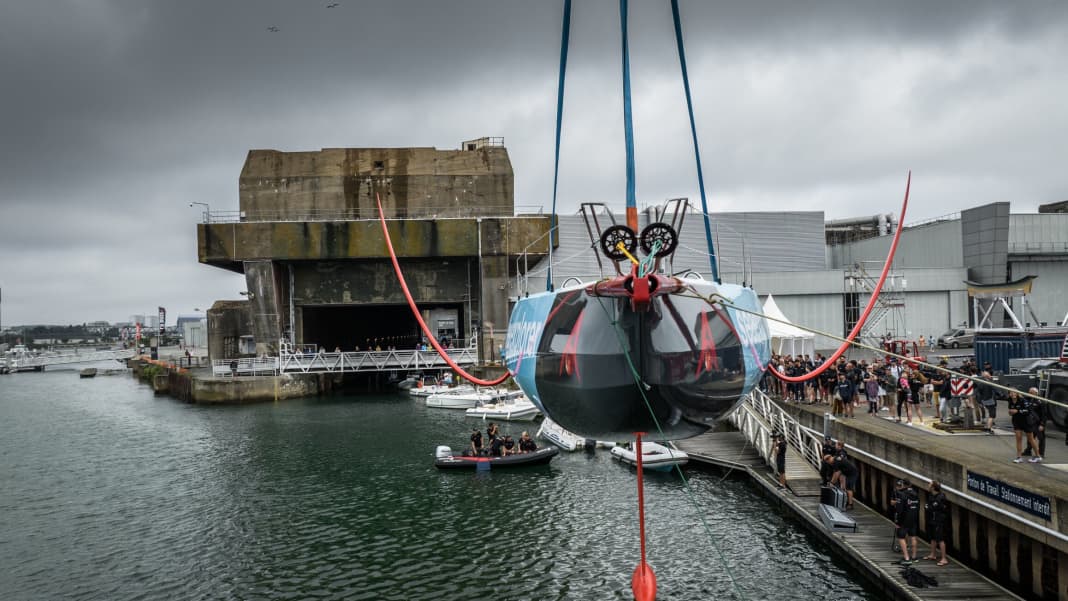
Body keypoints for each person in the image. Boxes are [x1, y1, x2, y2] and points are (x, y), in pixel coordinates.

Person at [1009, 389, 1043, 463]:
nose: (1012, 394)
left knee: (1031, 439)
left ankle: (1038, 456)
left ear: (1017, 393)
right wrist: (1011, 412)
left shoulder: (1023, 400)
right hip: (1016, 421)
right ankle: (1019, 457)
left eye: (1014, 392)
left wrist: (1018, 411)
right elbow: (1011, 410)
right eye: (1011, 393)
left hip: (1026, 421)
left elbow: (1028, 411)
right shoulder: (1010, 400)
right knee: (1018, 438)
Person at [923, 480, 950, 566]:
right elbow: (927, 506)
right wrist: (929, 507)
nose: (928, 486)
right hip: (932, 520)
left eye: (929, 485)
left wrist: (929, 507)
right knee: (933, 538)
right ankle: (933, 554)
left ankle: (944, 558)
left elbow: (931, 507)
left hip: (939, 521)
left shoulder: (941, 497)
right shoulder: (931, 495)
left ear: (933, 487)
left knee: (940, 539)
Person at [895, 480, 921, 564]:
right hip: (913, 518)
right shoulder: (915, 494)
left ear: (903, 485)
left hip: (904, 519)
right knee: (913, 536)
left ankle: (906, 558)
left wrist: (898, 522)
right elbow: (918, 507)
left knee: (901, 536)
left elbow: (900, 510)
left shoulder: (901, 494)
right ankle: (914, 557)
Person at [1022, 387, 1048, 458]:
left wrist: (1042, 424)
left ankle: (1041, 453)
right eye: (1029, 392)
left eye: (1031, 392)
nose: (1029, 393)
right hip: (1031, 422)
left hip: (1038, 423)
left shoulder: (1041, 401)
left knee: (1041, 438)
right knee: (1030, 437)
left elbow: (1044, 414)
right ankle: (1028, 451)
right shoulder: (1029, 399)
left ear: (1036, 393)